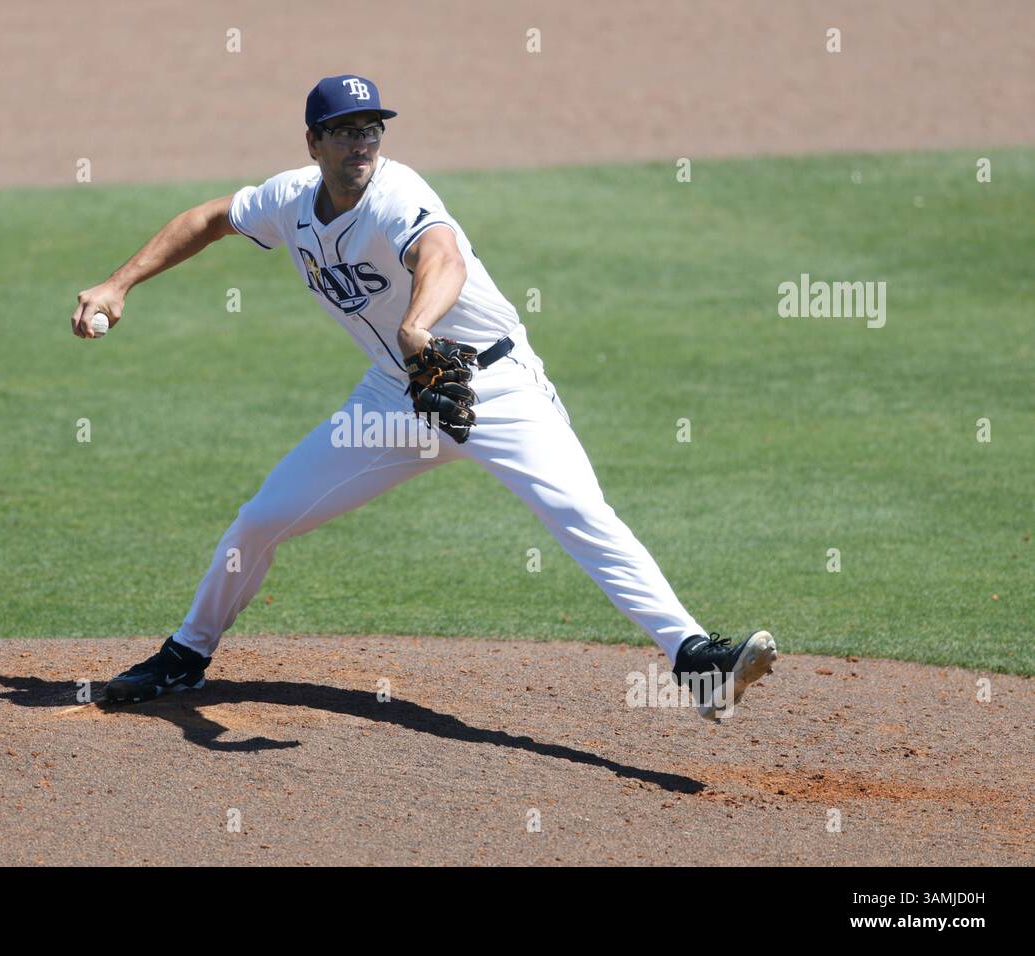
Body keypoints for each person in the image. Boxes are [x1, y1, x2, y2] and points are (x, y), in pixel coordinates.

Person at [71, 74, 776, 720]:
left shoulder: (397, 195)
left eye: (372, 127)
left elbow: (443, 255)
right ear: (313, 142)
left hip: (493, 385)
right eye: (346, 130)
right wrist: (119, 282)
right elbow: (209, 218)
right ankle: (187, 655)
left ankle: (695, 660)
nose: (362, 142)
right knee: (262, 519)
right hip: (393, 400)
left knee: (580, 514)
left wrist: (418, 325)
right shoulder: (290, 199)